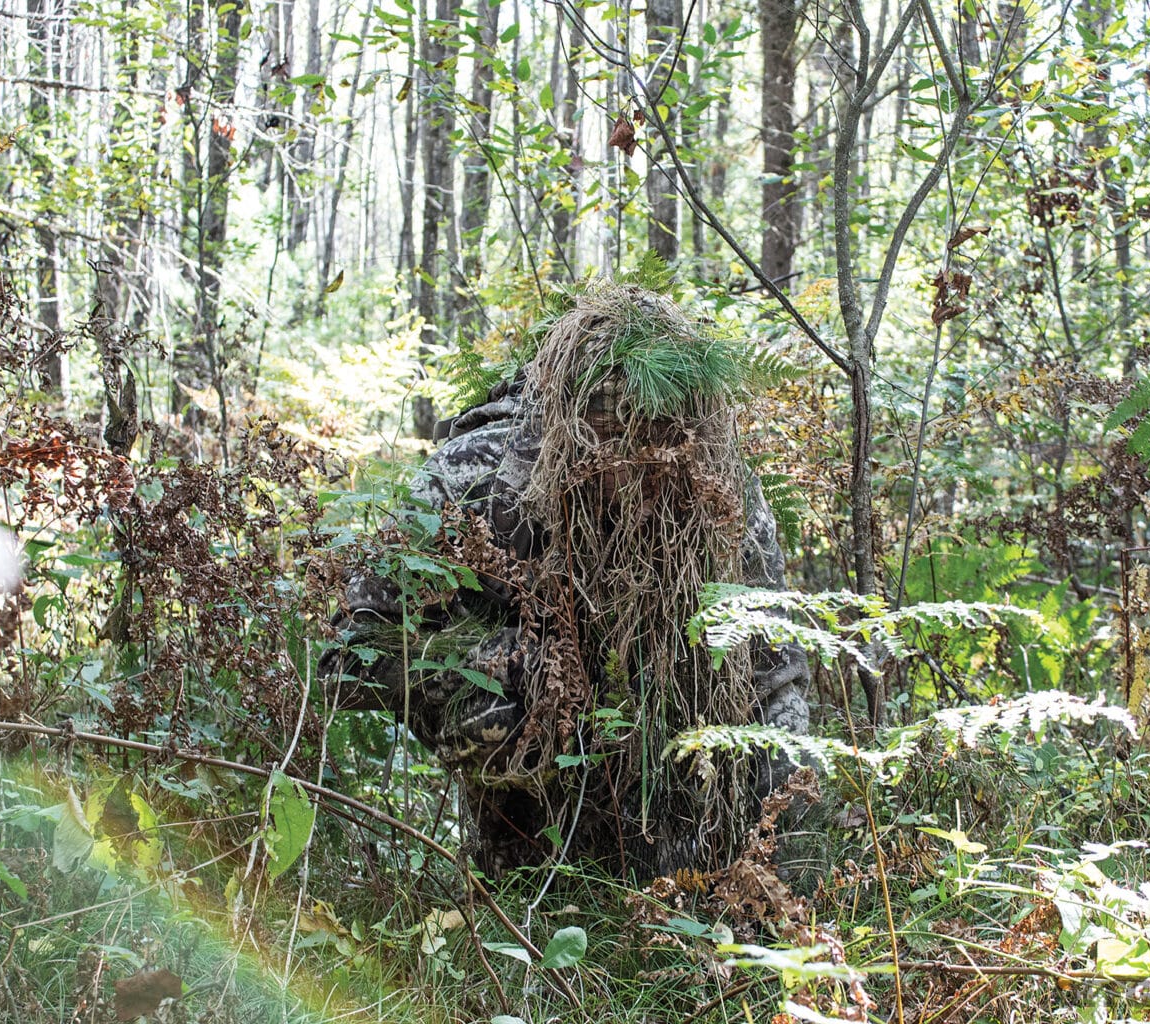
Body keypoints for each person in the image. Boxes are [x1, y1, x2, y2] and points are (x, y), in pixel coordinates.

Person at [321, 283, 809, 875]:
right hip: (530, 791)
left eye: (662, 433)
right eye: (611, 429)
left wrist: (778, 851)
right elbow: (350, 653)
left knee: (778, 738)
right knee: (519, 684)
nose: (639, 456)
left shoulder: (723, 493)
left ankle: (702, 888)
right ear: (567, 419)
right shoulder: (480, 473)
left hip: (675, 760)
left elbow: (775, 676)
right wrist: (484, 666)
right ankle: (532, 874)